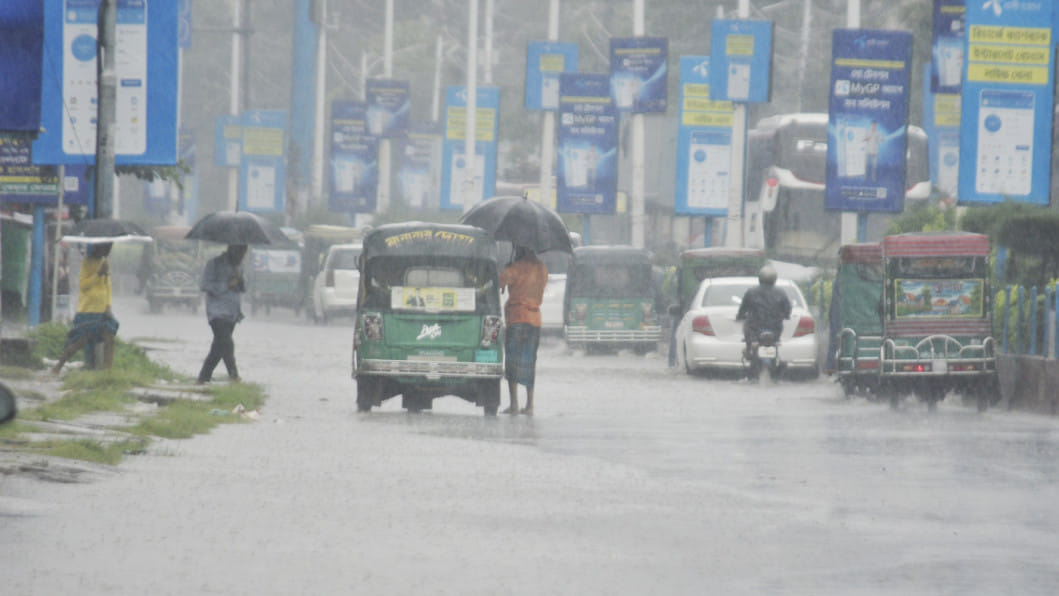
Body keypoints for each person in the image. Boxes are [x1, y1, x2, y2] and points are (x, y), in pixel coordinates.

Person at [52, 243, 118, 374]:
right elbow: (84, 286)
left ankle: (107, 371)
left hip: (102, 310)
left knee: (109, 338)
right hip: (88, 310)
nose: (108, 250)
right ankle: (57, 367)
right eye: (106, 247)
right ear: (98, 247)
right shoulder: (87, 263)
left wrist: (108, 305)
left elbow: (107, 286)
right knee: (80, 342)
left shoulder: (105, 262)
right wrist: (99, 273)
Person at [498, 245, 548, 415]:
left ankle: (514, 405)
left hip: (517, 318)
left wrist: (507, 268)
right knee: (529, 361)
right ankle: (529, 405)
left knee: (513, 362)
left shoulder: (516, 269)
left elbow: (498, 282)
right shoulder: (542, 269)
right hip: (534, 320)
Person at [197, 244, 248, 384]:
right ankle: (234, 376)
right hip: (217, 312)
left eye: (244, 254)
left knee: (220, 346)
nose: (242, 257)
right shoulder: (214, 264)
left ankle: (204, 377)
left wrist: (240, 280)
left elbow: (243, 288)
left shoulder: (239, 266)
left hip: (232, 312)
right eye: (240, 253)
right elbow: (206, 286)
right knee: (226, 343)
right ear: (232, 249)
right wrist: (227, 285)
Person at [735, 265, 791, 359]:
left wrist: (740, 316)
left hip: (755, 327)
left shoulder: (751, 292)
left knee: (748, 330)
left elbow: (743, 309)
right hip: (775, 327)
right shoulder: (781, 292)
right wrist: (785, 316)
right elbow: (787, 309)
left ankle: (749, 348)